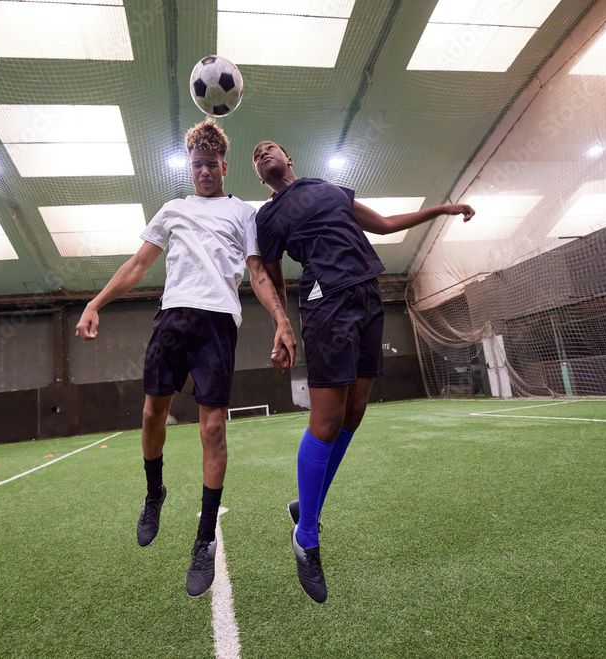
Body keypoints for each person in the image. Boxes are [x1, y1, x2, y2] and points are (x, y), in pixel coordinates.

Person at [75, 121, 296, 598]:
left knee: (212, 428)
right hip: (172, 319)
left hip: (218, 324)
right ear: (190, 166)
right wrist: (95, 303)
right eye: (195, 164)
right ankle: (155, 492)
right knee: (154, 412)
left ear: (223, 166)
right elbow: (137, 266)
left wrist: (281, 318)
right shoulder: (172, 210)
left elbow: (257, 273)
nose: (203, 171)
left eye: (210, 164)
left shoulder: (243, 213)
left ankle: (203, 539)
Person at [251, 140, 474, 603]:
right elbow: (271, 278)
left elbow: (388, 224)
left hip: (368, 297)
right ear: (259, 175)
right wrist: (282, 325)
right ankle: (306, 537)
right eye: (255, 155)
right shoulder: (267, 218)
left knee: (354, 414)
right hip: (324, 302)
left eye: (269, 147)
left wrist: (442, 209)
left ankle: (304, 507)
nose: (262, 152)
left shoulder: (330, 188)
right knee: (327, 420)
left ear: (289, 159)